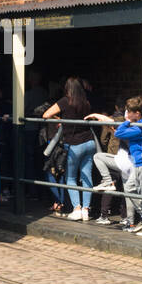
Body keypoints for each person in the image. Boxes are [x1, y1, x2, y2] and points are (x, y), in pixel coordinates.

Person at [42, 77, 97, 221]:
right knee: (86, 177)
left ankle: (77, 208)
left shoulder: (65, 101)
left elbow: (46, 114)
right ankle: (86, 210)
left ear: (67, 89)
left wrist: (60, 120)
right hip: (89, 141)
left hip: (74, 144)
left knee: (71, 177)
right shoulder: (86, 102)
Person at [108, 97, 142, 233]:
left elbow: (118, 133)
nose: (127, 114)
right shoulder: (140, 123)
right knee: (130, 188)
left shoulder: (139, 127)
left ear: (137, 113)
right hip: (138, 163)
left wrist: (127, 122)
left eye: (129, 111)